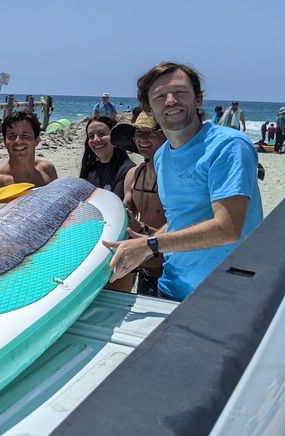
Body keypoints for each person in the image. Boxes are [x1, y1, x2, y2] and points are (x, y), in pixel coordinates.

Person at [103, 62, 263, 302]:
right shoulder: (162, 156)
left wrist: (152, 245)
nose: (170, 100)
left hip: (226, 296)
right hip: (172, 286)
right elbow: (180, 218)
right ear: (149, 109)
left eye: (179, 92)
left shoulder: (228, 146)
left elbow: (228, 228)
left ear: (198, 99)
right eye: (159, 96)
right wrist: (145, 241)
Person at [110, 112, 168, 296]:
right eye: (138, 133)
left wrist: (141, 229)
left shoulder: (172, 177)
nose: (143, 139)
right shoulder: (134, 174)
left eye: (150, 133)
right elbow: (123, 210)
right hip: (143, 263)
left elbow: (182, 222)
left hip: (169, 263)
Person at [0, 111, 58, 196]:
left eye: (25, 135)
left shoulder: (48, 170)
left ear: (36, 140)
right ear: (4, 142)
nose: (18, 141)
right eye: (12, 136)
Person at [79, 115, 135, 200]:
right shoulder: (90, 169)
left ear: (115, 136)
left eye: (101, 134)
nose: (96, 139)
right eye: (91, 136)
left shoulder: (127, 170)